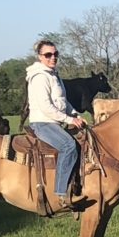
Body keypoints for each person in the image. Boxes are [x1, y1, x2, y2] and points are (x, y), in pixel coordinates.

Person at [26, 39, 85, 207]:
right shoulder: (39, 77)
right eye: (48, 55)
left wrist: (74, 113)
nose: (53, 58)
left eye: (55, 54)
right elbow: (46, 107)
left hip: (54, 121)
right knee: (68, 146)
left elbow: (62, 102)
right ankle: (61, 194)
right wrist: (69, 119)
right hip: (43, 123)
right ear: (39, 56)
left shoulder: (53, 75)